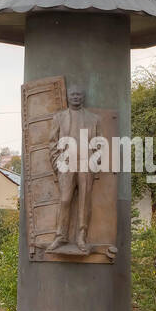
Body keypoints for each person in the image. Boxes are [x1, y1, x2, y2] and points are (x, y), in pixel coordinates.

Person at [47, 84, 99, 253]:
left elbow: (99, 144)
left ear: (82, 97)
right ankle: (60, 236)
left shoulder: (93, 119)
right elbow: (52, 142)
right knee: (65, 200)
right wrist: (56, 162)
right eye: (73, 94)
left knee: (85, 201)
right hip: (66, 163)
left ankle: (81, 237)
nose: (76, 97)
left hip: (86, 164)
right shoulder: (59, 117)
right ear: (68, 97)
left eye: (79, 94)